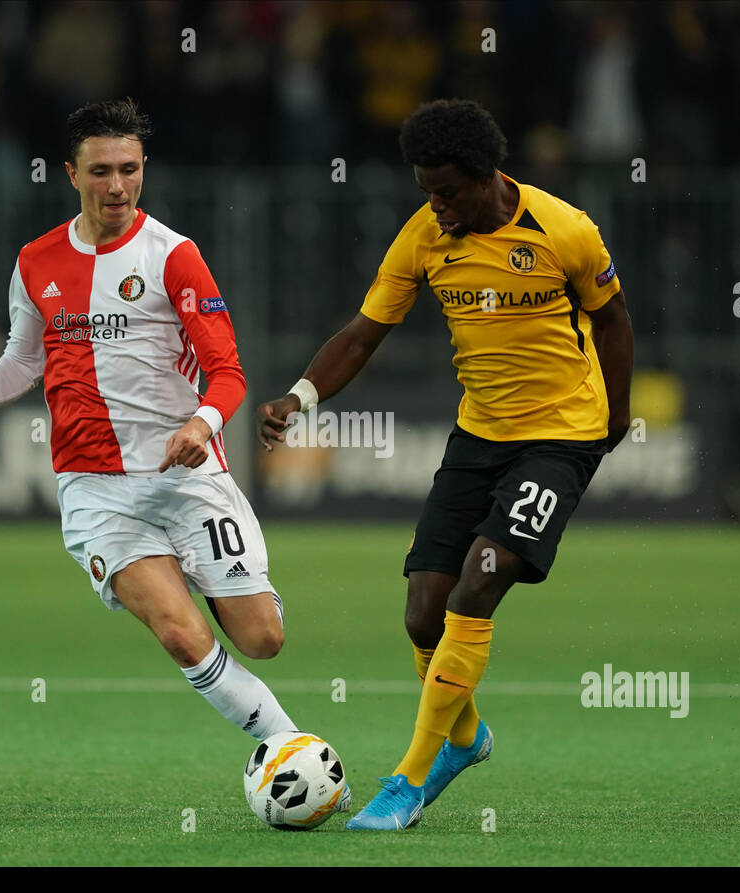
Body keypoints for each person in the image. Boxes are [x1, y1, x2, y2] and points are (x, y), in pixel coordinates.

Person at [0, 100, 335, 782]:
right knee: (178, 632)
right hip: (96, 489)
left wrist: (203, 424)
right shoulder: (36, 261)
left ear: (145, 170)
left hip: (185, 475)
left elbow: (228, 371)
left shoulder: (174, 257)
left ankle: (220, 578)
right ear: (70, 174)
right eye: (102, 171)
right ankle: (292, 753)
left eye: (130, 170)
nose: (118, 186)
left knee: (263, 638)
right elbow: (25, 359)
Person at [256, 99, 634, 830]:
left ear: (488, 176)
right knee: (423, 609)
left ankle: (408, 778)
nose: (437, 205)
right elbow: (364, 334)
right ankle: (466, 738)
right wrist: (299, 397)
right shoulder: (426, 238)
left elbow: (613, 320)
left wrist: (614, 419)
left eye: (449, 192)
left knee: (482, 576)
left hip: (560, 435)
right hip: (478, 437)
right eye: (426, 191)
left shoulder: (565, 231)